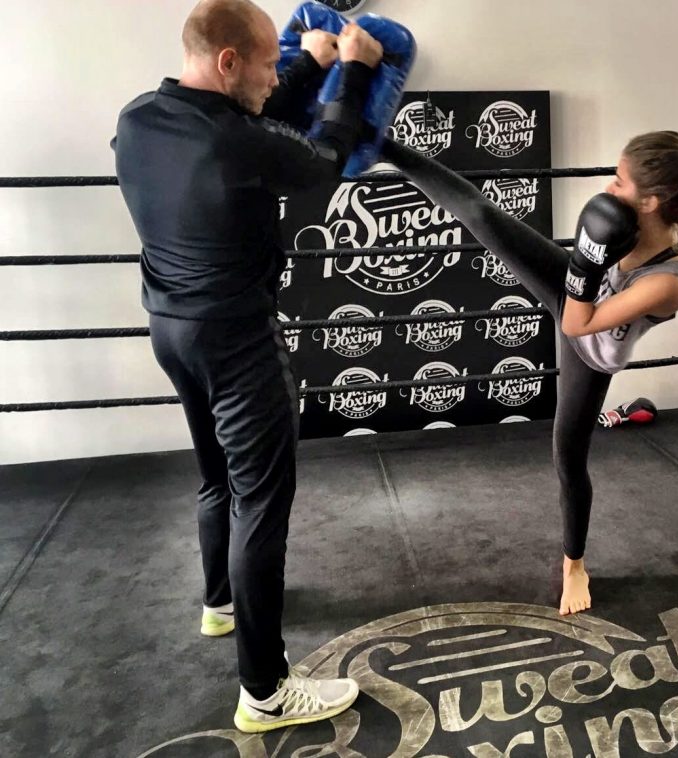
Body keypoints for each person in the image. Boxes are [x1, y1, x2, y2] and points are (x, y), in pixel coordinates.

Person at [380, 132, 678, 616]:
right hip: (582, 288)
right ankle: (383, 145)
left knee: (567, 454)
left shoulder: (667, 283)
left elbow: (576, 323)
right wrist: (594, 260)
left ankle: (574, 563)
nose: (608, 185)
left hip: (590, 342)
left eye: (619, 181)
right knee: (483, 217)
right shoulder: (657, 210)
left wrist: (586, 259)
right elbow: (677, 220)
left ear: (651, 200)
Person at [112, 0, 384, 733]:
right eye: (268, 62)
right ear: (228, 61)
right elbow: (319, 163)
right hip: (236, 341)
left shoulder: (139, 119)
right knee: (260, 503)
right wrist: (353, 74)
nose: (275, 74)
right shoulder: (238, 143)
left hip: (170, 329)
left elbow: (251, 119)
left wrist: (309, 64)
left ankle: (219, 605)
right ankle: (265, 691)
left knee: (215, 479)